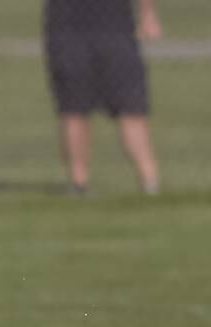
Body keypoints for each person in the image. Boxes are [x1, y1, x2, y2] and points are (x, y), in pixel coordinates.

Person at [44, 0, 162, 194]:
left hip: (116, 27)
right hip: (67, 28)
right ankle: (79, 183)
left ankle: (150, 182)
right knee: (74, 108)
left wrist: (148, 14)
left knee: (131, 107)